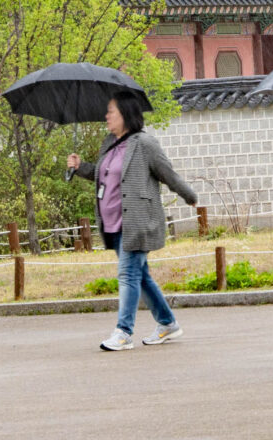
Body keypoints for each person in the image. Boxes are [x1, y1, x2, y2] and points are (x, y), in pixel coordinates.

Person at [67, 91, 198, 351]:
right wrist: (80, 166)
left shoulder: (145, 144)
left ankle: (124, 332)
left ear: (126, 114)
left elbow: (168, 174)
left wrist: (190, 196)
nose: (106, 116)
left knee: (128, 274)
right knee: (141, 277)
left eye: (111, 112)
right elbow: (102, 176)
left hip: (137, 222)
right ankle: (168, 323)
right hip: (113, 222)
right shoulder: (109, 143)